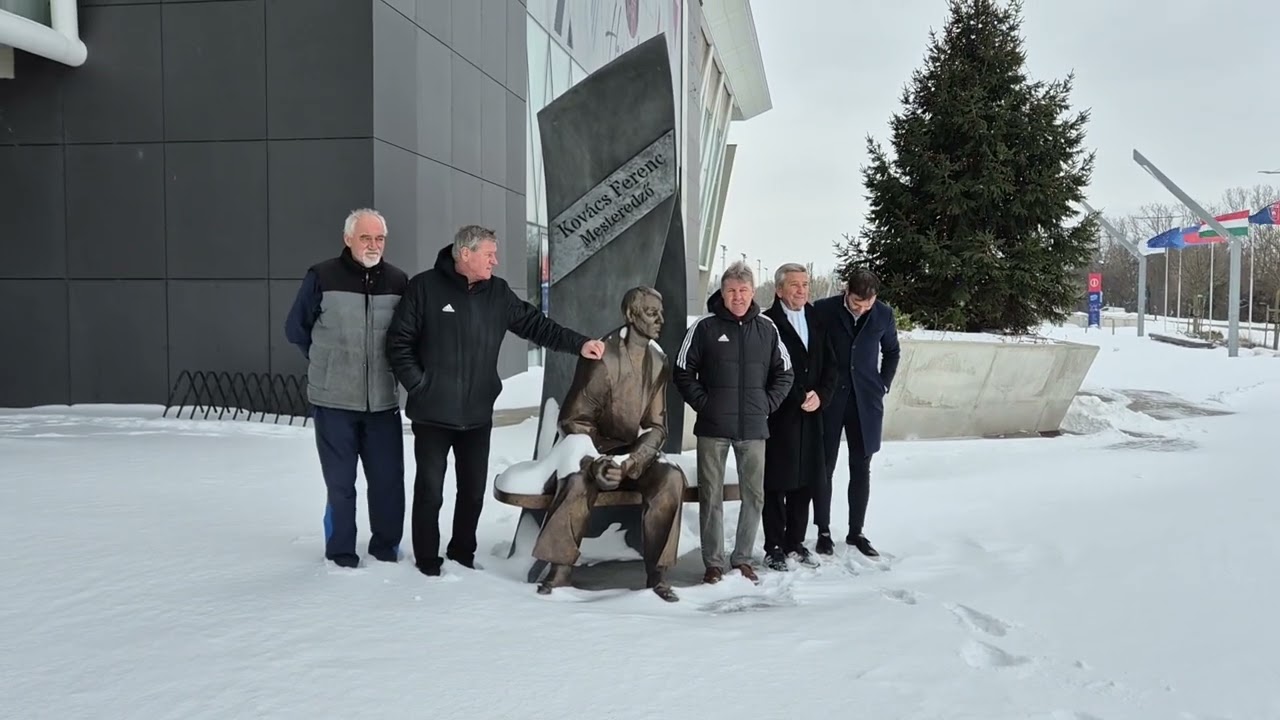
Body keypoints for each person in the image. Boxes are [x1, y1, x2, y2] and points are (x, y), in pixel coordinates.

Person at [385, 224, 606, 578]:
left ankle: (462, 553)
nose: (495, 261)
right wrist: (421, 385)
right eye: (489, 254)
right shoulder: (424, 288)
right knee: (430, 491)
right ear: (465, 254)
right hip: (432, 414)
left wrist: (579, 344)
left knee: (472, 492)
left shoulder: (498, 294)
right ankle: (427, 559)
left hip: (476, 414)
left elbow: (538, 327)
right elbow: (399, 343)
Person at [532, 286, 687, 602]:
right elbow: (573, 419)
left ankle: (657, 574)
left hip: (633, 452)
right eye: (650, 312)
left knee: (671, 478)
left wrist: (632, 462)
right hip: (593, 448)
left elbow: (657, 426)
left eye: (661, 312)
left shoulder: (659, 361)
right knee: (577, 480)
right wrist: (597, 462)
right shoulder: (603, 355)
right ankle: (559, 569)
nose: (660, 319)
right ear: (632, 315)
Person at [284, 208, 409, 569]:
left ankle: (385, 549)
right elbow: (296, 329)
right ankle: (341, 554)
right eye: (366, 238)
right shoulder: (322, 276)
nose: (373, 245)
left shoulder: (399, 282)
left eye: (380, 239)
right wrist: (328, 360)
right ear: (348, 239)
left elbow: (407, 338)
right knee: (341, 485)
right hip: (333, 402)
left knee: (388, 482)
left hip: (382, 402)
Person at [673, 261, 793, 584]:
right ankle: (713, 563)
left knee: (754, 495)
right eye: (731, 291)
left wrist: (766, 404)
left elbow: (785, 373)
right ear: (722, 293)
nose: (737, 297)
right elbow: (682, 370)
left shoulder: (767, 329)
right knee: (711, 496)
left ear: (753, 292)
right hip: (713, 430)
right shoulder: (705, 327)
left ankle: (742, 559)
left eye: (743, 291)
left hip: (754, 430)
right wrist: (706, 404)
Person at [811, 268, 901, 557]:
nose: (861, 310)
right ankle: (823, 531)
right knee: (824, 467)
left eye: (867, 305)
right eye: (855, 304)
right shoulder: (823, 310)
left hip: (866, 402)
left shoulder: (884, 314)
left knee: (861, 468)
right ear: (845, 292)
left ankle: (856, 532)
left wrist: (882, 385)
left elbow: (892, 351)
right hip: (829, 400)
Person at [761, 263, 838, 571]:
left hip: (813, 413)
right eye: (795, 285)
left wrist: (821, 395)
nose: (802, 290)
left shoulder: (817, 319)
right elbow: (766, 370)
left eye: (805, 284)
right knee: (776, 483)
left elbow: (831, 365)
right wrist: (797, 396)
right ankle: (774, 545)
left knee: (805, 482)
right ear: (779, 290)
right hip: (781, 415)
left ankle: (795, 541)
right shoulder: (768, 323)